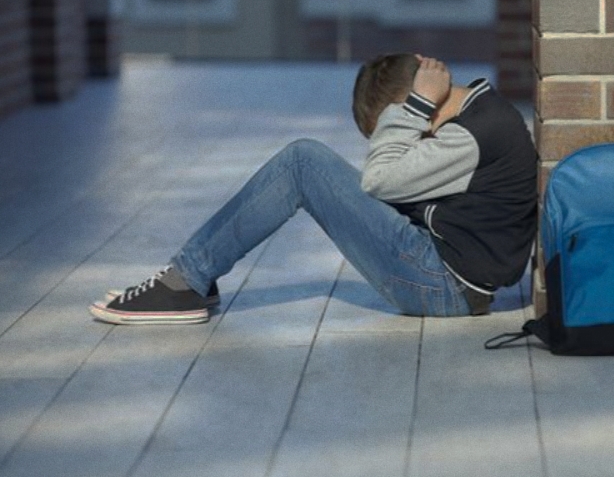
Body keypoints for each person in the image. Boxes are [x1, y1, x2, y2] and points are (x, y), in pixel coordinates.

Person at [89, 54, 538, 325]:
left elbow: (379, 179)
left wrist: (415, 106)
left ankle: (184, 282)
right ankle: (195, 277)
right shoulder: (483, 117)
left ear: (415, 107)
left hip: (443, 286)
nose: (408, 135)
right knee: (313, 164)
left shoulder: (470, 135)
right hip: (449, 275)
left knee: (304, 161)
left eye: (402, 126)